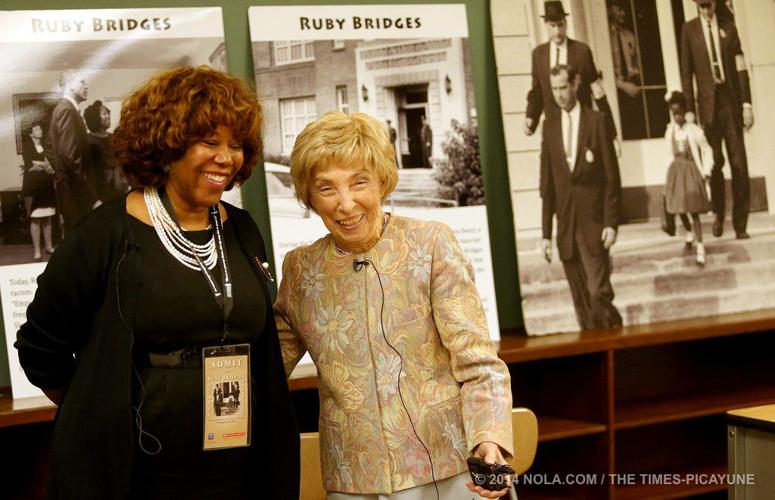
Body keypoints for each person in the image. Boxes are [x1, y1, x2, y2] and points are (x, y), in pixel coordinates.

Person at [15, 66, 299, 499]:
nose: (227, 157)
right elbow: (40, 348)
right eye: (210, 141)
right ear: (167, 143)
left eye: (236, 145)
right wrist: (99, 410)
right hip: (139, 475)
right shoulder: (105, 235)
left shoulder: (242, 229)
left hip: (239, 468)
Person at [275, 111, 513, 499]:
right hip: (354, 478)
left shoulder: (431, 244)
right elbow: (268, 368)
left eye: (359, 182)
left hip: (446, 469)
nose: (346, 204)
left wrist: (489, 437)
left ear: (382, 181)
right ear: (308, 195)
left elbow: (478, 362)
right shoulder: (301, 269)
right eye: (326, 188)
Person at [539, 64, 623, 331]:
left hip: (594, 224)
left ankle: (615, 332)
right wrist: (545, 234)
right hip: (566, 225)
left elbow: (612, 177)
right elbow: (547, 185)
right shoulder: (549, 126)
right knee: (582, 304)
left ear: (575, 84)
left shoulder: (596, 122)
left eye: (563, 87)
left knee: (598, 293)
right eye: (554, 89)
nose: (560, 94)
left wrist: (611, 222)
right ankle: (596, 349)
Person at [680, 0, 753, 239]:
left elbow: (741, 69)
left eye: (709, 5)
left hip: (729, 104)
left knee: (739, 163)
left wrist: (746, 104)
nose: (707, 11)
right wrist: (689, 112)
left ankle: (741, 224)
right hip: (707, 109)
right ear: (696, 7)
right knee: (715, 164)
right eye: (702, 7)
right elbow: (686, 73)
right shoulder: (688, 31)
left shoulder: (729, 28)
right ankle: (719, 216)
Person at [525, 1, 617, 145]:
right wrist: (531, 118)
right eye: (553, 26)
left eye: (560, 25)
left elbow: (598, 93)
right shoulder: (538, 55)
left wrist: (611, 132)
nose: (557, 31)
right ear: (546, 25)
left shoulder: (582, 52)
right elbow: (537, 92)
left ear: (566, 23)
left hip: (581, 126)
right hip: (555, 128)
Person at [663, 91, 713, 266]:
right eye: (674, 113)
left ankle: (700, 246)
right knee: (679, 207)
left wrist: (706, 170)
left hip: (691, 171)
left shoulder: (694, 130)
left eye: (679, 113)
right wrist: (668, 177)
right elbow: (669, 154)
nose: (677, 117)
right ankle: (689, 230)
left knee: (694, 210)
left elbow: (707, 149)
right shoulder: (670, 131)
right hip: (676, 173)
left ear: (685, 111)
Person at [48, 70, 100, 230]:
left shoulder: (63, 109)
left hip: (70, 191)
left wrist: (60, 174)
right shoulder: (67, 110)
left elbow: (50, 145)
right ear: (70, 85)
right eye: (82, 82)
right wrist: (92, 198)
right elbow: (71, 158)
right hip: (76, 194)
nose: (87, 86)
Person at [608, 0, 646, 139]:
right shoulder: (605, 37)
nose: (623, 13)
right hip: (614, 90)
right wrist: (621, 84)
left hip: (632, 91)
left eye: (624, 9)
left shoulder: (629, 36)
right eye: (619, 9)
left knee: (636, 131)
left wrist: (636, 78)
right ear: (609, 9)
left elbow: (636, 64)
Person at [20, 122, 56, 261]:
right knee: (35, 218)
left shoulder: (45, 147)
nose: (39, 130)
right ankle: (36, 251)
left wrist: (41, 164)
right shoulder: (28, 147)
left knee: (47, 217)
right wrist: (44, 165)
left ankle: (49, 246)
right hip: (33, 186)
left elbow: (49, 164)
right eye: (36, 129)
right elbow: (30, 165)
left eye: (40, 128)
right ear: (31, 133)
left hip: (46, 185)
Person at [84, 99, 129, 202]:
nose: (108, 116)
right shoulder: (88, 141)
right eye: (104, 114)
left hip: (119, 187)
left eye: (108, 113)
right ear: (94, 118)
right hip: (100, 191)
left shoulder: (114, 138)